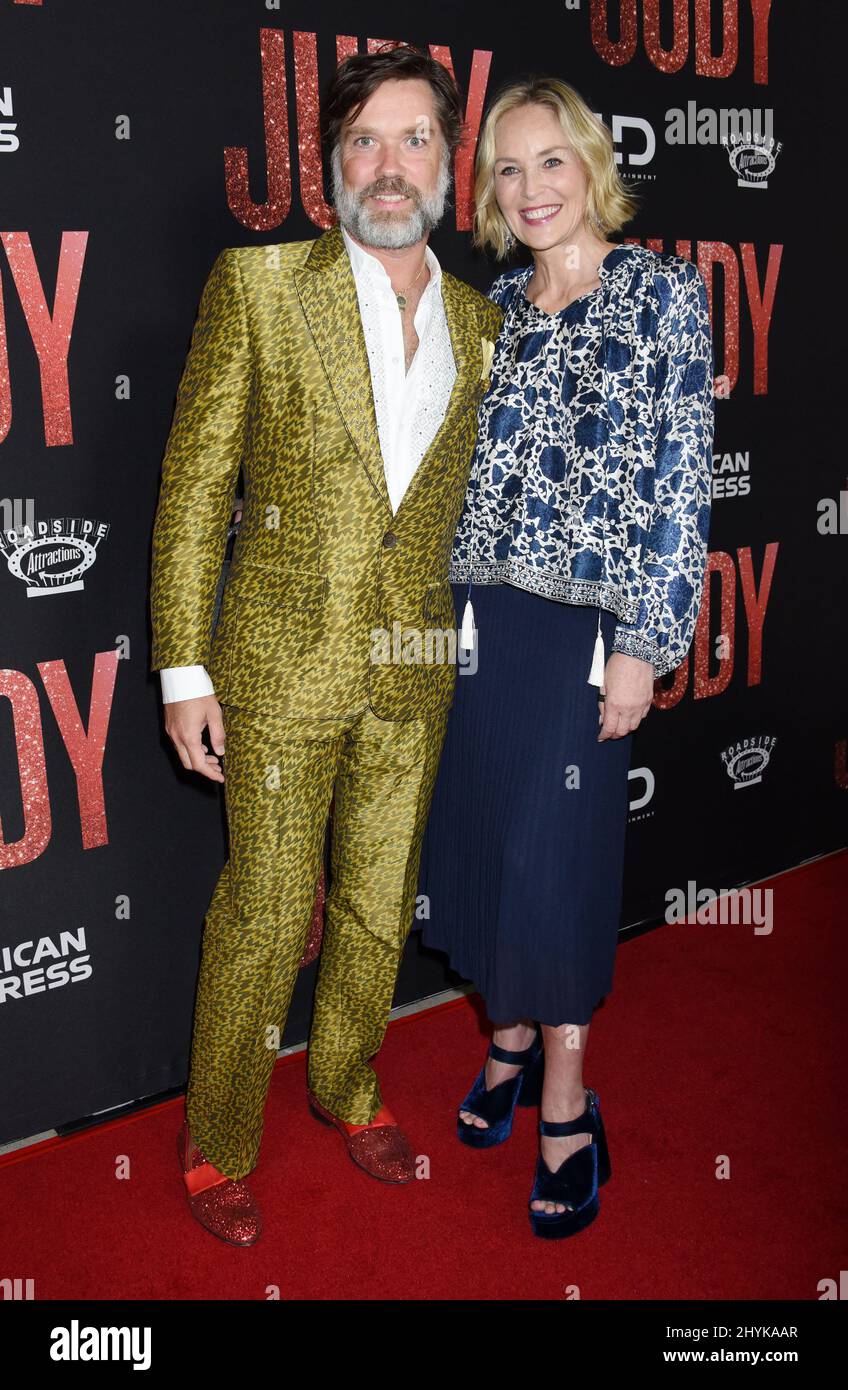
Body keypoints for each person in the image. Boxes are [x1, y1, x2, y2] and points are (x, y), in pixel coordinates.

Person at [149, 42, 503, 1246]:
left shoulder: (475, 321)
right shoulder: (257, 288)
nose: (387, 165)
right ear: (330, 161)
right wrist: (183, 665)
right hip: (276, 665)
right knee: (261, 908)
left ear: (445, 165)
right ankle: (218, 1144)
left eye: (412, 139)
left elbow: (454, 507)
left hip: (412, 668)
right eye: (363, 140)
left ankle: (350, 1085)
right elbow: (196, 482)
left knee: (375, 901)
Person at [418, 75, 714, 1238]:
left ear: (590, 164)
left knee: (556, 867)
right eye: (505, 167)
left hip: (589, 635)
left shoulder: (660, 297)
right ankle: (501, 1040)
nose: (529, 187)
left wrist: (644, 645)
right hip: (481, 624)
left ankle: (565, 1099)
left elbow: (679, 481)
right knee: (487, 843)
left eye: (549, 160)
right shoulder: (490, 306)